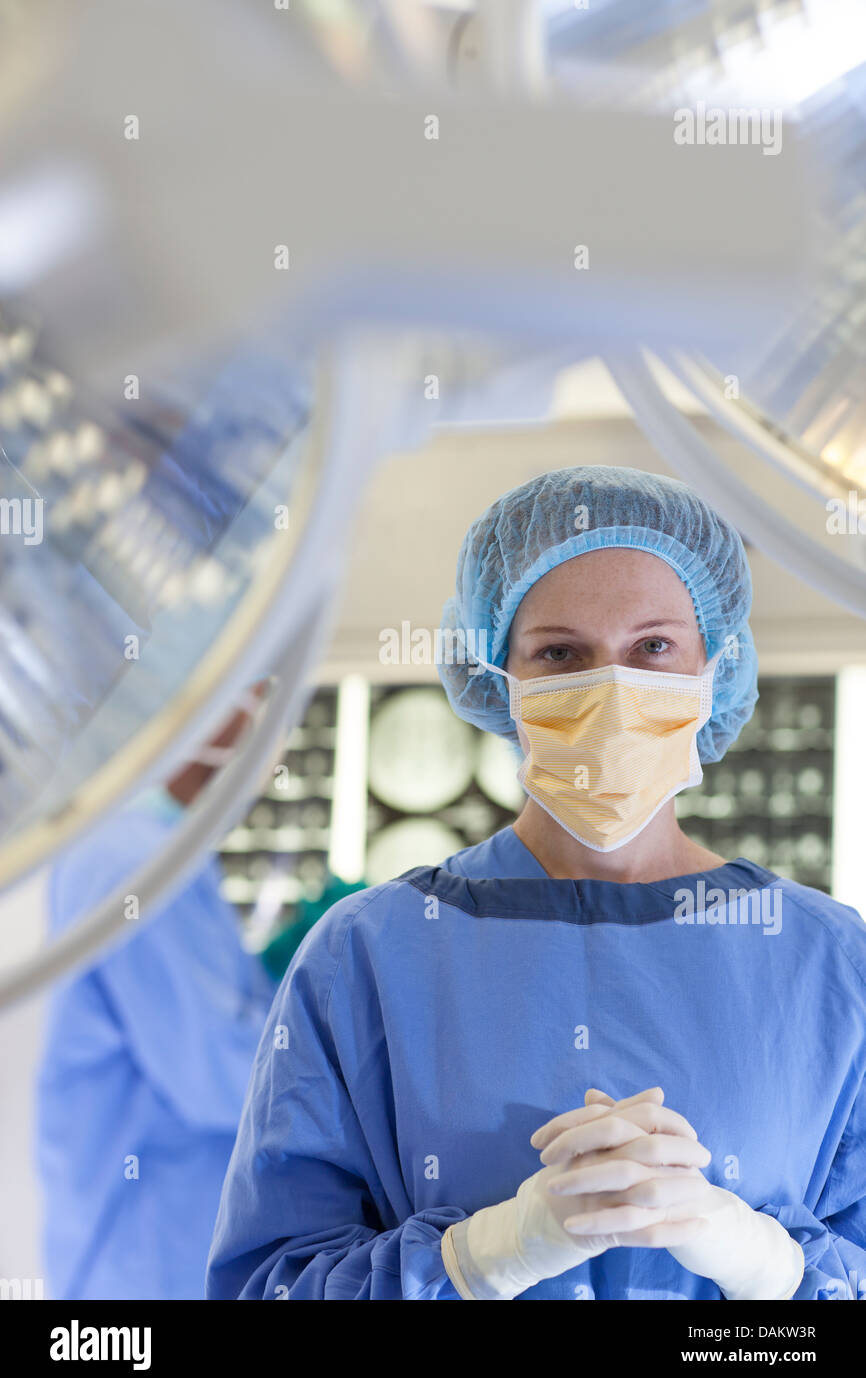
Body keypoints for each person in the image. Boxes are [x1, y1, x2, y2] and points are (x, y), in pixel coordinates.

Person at [205, 466, 866, 1300]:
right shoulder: (368, 956)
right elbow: (268, 1283)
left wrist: (769, 1266)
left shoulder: (832, 963)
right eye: (561, 654)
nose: (614, 690)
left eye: (652, 647)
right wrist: (478, 1258)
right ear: (497, 679)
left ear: (715, 664)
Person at [36, 690, 276, 1300]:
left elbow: (218, 1020)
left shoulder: (154, 848)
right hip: (145, 1265)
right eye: (255, 692)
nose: (265, 717)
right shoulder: (132, 862)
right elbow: (219, 1078)